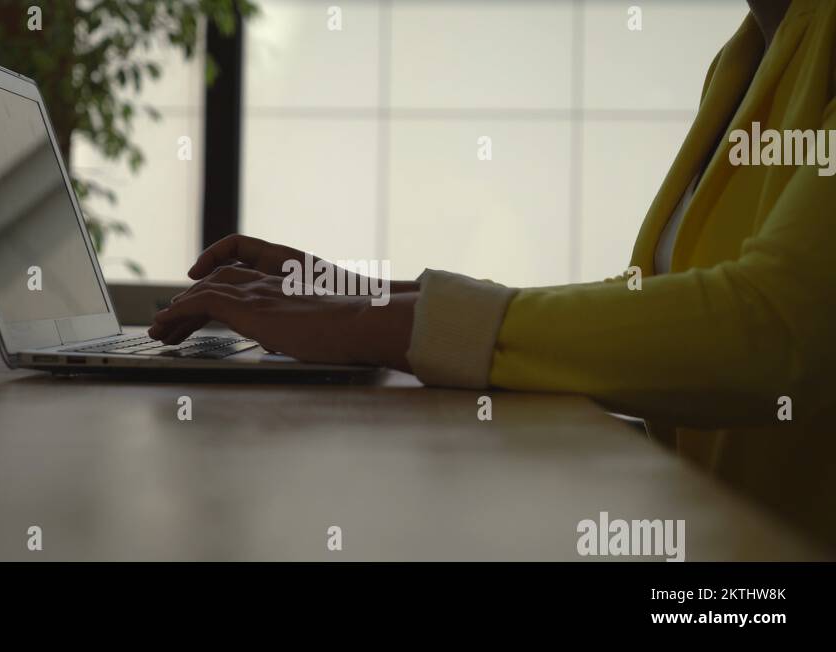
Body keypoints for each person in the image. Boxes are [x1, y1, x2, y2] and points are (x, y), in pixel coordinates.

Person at [150, 0, 836, 548]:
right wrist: (370, 298)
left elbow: (774, 331)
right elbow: (665, 310)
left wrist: (383, 323)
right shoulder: (744, 56)